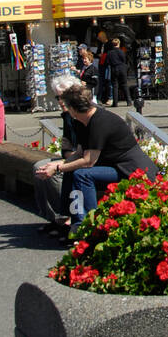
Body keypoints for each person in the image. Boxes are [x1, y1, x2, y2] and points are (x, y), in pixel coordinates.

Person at [38, 83, 159, 232]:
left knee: (82, 174)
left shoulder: (100, 121)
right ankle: (69, 221)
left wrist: (58, 168)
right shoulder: (80, 122)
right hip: (113, 165)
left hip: (131, 169)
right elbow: (79, 154)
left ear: (73, 109)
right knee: (71, 170)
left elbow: (89, 161)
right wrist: (58, 164)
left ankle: (89, 225)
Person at [34, 74, 90, 235]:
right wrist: (68, 154)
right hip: (74, 155)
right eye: (58, 97)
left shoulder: (85, 113)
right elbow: (65, 144)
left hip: (89, 158)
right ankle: (55, 217)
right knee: (39, 167)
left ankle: (69, 216)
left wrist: (66, 160)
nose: (60, 101)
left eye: (63, 97)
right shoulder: (67, 115)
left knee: (56, 173)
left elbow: (86, 148)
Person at [104, 38, 132, 107]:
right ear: (118, 44)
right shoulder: (121, 52)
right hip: (122, 68)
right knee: (124, 84)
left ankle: (115, 103)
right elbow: (124, 60)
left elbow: (106, 62)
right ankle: (128, 101)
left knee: (115, 86)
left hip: (114, 69)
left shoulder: (109, 53)